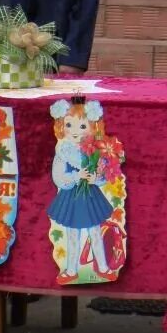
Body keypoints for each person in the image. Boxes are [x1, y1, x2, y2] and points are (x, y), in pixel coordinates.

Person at [48, 97, 118, 284]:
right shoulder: (63, 151)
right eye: (69, 125)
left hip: (89, 198)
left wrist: (96, 178)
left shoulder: (95, 149)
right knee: (72, 235)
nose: (75, 132)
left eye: (82, 126)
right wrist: (76, 176)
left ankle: (102, 267)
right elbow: (58, 177)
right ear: (61, 126)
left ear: (93, 127)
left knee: (95, 232)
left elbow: (103, 171)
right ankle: (71, 270)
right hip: (71, 197)